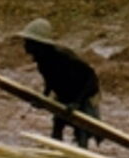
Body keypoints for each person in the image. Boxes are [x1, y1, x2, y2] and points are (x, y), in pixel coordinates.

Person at [16, 18, 102, 148]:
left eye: (29, 43)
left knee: (82, 129)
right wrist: (44, 98)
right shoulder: (42, 61)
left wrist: (77, 102)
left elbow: (91, 78)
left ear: (39, 44)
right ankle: (55, 150)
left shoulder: (65, 58)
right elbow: (50, 81)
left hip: (85, 93)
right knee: (58, 123)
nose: (26, 47)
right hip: (65, 94)